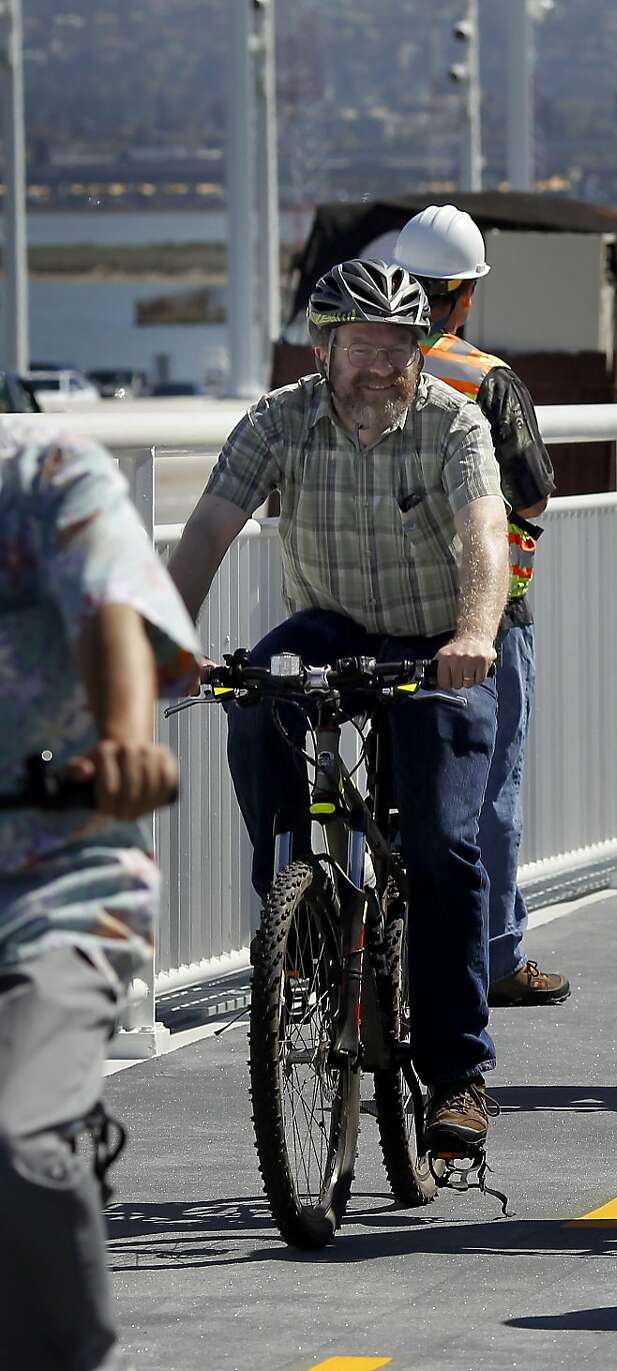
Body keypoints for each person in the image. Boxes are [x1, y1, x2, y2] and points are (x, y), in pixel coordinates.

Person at [166, 260, 509, 1152]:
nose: (380, 363)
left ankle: (457, 1075)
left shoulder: (453, 422)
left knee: (441, 843)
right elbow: (207, 529)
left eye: (399, 345)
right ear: (325, 348)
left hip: (441, 645)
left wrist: (475, 631)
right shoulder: (278, 420)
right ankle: (302, 917)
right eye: (362, 344)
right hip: (330, 627)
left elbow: (485, 534)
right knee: (255, 696)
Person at [0, 430, 196, 1371]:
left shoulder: (42, 472)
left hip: (55, 873)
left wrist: (125, 741)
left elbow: (111, 605)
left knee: (18, 1132)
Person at [390, 204, 568, 1011]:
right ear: (463, 296)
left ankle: (374, 949)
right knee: (490, 786)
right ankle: (493, 953)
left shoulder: (360, 367)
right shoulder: (484, 377)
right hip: (486, 616)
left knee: (389, 785)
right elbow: (534, 489)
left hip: (380, 609)